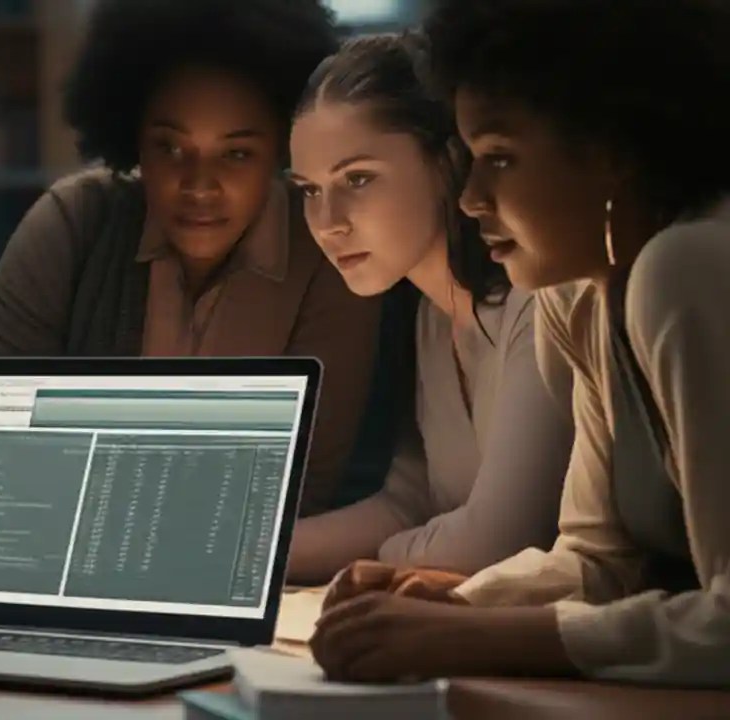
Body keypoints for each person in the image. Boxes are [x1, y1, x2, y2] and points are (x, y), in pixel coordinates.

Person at [310, 0, 730, 686]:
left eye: (499, 158)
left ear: (614, 149)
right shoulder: (583, 292)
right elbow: (599, 561)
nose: (471, 198)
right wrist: (453, 600)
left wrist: (468, 639)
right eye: (470, 159)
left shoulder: (686, 269)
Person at [0, 0, 381, 516]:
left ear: (283, 147)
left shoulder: (326, 248)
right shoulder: (74, 225)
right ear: (132, 139)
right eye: (170, 148)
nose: (200, 186)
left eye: (236, 153)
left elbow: (305, 485)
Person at [284, 33, 572, 585]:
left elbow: (498, 540)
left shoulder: (535, 306)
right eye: (309, 191)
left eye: (357, 179)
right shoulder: (430, 319)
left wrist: (379, 564)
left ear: (446, 161)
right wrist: (239, 557)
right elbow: (408, 502)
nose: (329, 222)